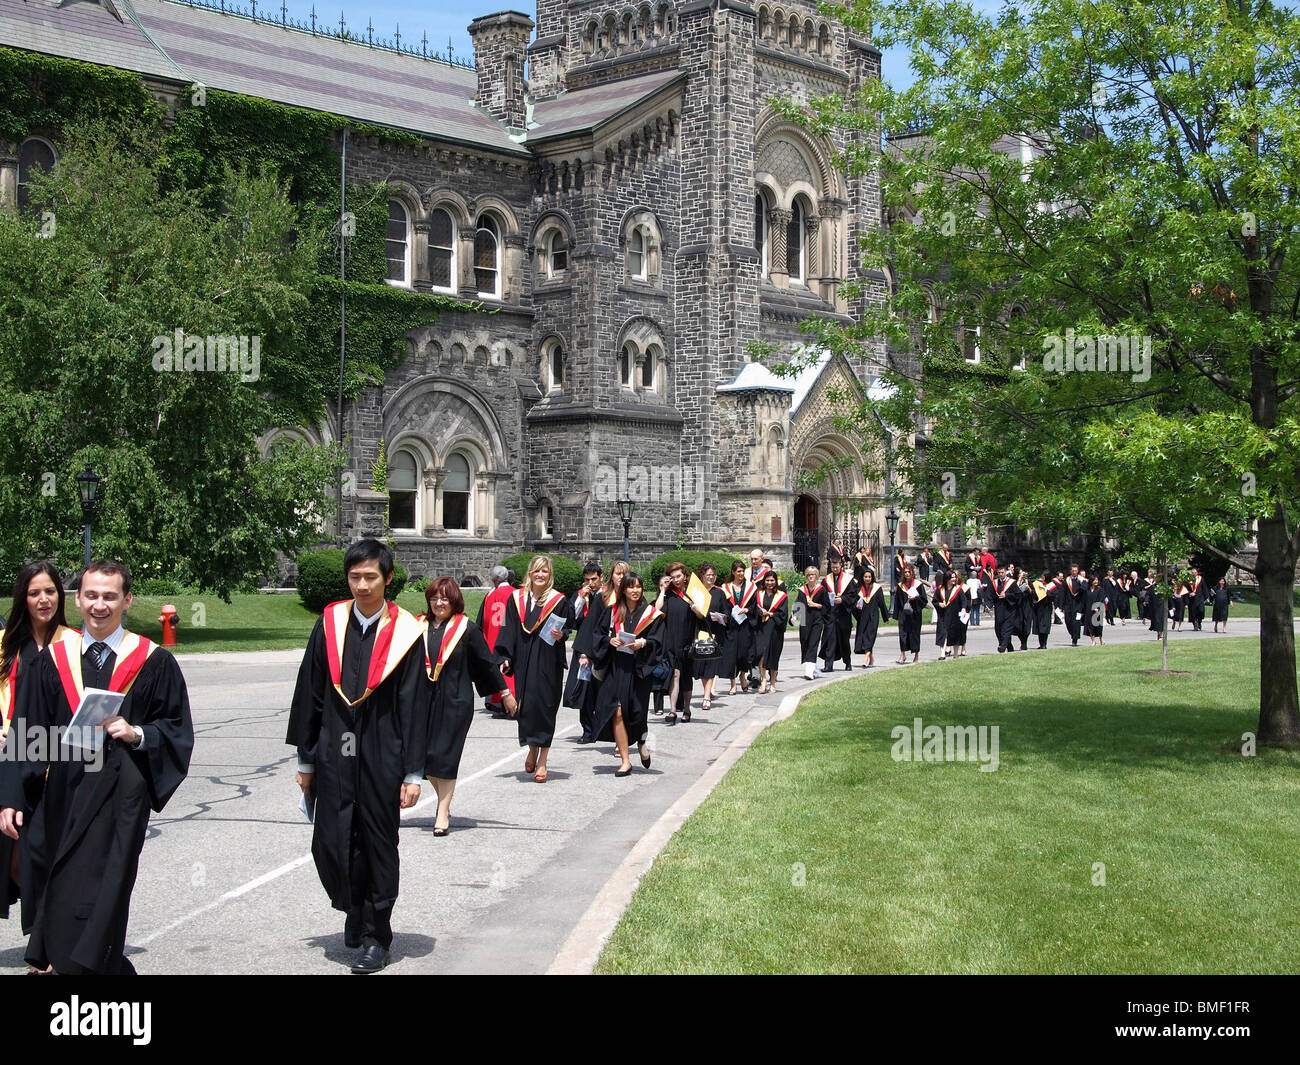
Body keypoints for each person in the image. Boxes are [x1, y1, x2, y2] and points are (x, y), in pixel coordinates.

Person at [0, 559, 193, 975]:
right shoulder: (50, 661)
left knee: (110, 883)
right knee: (63, 879)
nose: (99, 605)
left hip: (122, 794)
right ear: (78, 598)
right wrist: (13, 796)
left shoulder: (153, 662)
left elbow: (176, 729)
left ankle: (92, 965)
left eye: (109, 596)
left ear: (127, 600)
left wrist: (137, 732)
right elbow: (26, 730)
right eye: (91, 595)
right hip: (63, 790)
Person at [289, 540, 426, 973]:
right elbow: (310, 692)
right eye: (355, 577)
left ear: (388, 579)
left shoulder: (406, 632)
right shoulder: (330, 623)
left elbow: (414, 705)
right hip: (334, 752)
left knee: (377, 843)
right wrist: (306, 761)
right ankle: (352, 905)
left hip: (383, 753)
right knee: (331, 839)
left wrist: (413, 772)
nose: (363, 585)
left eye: (371, 577)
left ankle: (376, 934)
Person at [0, 563, 75, 925]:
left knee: (39, 850)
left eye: (50, 591)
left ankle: (45, 934)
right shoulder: (5, 645)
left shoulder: (73, 642)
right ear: (22, 598)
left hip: (52, 759)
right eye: (34, 593)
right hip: (8, 756)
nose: (43, 599)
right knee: (13, 852)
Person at [423, 577, 517, 836]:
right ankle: (442, 801)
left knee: (446, 757)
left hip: (455, 701)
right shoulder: (419, 626)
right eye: (434, 598)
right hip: (423, 702)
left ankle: (442, 812)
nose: (439, 603)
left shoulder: (466, 628)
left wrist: (505, 692)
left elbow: (487, 663)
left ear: (455, 601)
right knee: (425, 759)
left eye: (444, 598)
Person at [495, 556, 576, 784]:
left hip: (548, 660)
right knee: (527, 707)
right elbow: (509, 627)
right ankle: (532, 749)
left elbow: (568, 625)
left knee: (546, 707)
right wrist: (504, 655)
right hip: (523, 658)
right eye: (537, 571)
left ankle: (543, 760)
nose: (540, 575)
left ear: (550, 575)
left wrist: (563, 636)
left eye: (545, 572)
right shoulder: (516, 598)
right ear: (530, 573)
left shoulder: (558, 600)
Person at [592, 573, 662, 776]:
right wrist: (609, 641)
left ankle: (641, 741)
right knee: (618, 711)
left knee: (637, 713)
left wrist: (644, 642)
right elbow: (598, 635)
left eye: (638, 587)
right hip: (617, 668)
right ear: (623, 590)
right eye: (630, 587)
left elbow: (659, 641)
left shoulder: (651, 614)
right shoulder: (612, 612)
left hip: (639, 670)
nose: (635, 590)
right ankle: (625, 760)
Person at [655, 563, 705, 724]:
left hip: (687, 641)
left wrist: (695, 608)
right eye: (673, 577)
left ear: (685, 576)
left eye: (679, 576)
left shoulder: (691, 594)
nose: (676, 580)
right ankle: (672, 710)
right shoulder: (668, 596)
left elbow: (701, 616)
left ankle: (687, 709)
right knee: (674, 675)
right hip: (671, 641)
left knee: (685, 676)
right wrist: (662, 589)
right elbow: (656, 610)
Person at [564, 563, 606, 743]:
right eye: (587, 579)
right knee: (584, 689)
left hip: (602, 648)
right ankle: (587, 729)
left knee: (602, 690)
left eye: (594, 579)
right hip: (584, 648)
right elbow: (571, 618)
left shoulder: (607, 596)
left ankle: (603, 728)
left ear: (601, 577)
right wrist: (582, 597)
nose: (591, 583)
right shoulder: (580, 596)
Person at [476, 565, 516, 715]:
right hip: (510, 636)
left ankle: (498, 703)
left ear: (493, 580)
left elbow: (483, 620)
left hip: (493, 636)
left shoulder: (490, 596)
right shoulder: (516, 594)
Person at [691, 562, 728, 712]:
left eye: (713, 575)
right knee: (700, 667)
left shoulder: (719, 593)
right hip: (698, 632)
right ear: (702, 576)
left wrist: (722, 618)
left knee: (711, 666)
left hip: (714, 633)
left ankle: (706, 697)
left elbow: (726, 613)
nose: (711, 577)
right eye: (708, 575)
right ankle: (707, 690)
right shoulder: (696, 592)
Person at [721, 560, 759, 695]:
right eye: (738, 571)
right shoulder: (725, 588)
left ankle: (742, 675)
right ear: (733, 572)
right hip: (731, 626)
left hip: (745, 625)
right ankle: (733, 684)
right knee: (731, 655)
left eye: (743, 571)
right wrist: (727, 614)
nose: (741, 573)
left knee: (744, 654)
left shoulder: (751, 587)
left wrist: (747, 610)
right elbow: (723, 605)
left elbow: (754, 605)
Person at [820, 557, 857, 671]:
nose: (835, 569)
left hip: (843, 614)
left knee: (844, 640)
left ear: (841, 565)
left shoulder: (848, 580)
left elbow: (853, 595)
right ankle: (828, 665)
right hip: (830, 615)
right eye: (833, 567)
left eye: (836, 566)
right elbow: (822, 595)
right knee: (829, 639)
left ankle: (848, 662)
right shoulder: (826, 580)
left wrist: (843, 600)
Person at [754, 571, 789, 693]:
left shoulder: (782, 596)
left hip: (775, 628)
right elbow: (754, 609)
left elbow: (783, 614)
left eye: (772, 580)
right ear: (764, 581)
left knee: (773, 655)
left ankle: (773, 682)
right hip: (761, 628)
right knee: (761, 654)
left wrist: (771, 613)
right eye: (767, 580)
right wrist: (760, 613)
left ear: (776, 582)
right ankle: (763, 680)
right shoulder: (759, 594)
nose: (769, 583)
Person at [853, 568, 890, 668]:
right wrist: (856, 608)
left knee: (870, 636)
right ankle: (871, 658)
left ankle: (865, 658)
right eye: (865, 577)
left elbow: (882, 603)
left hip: (873, 616)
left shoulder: (877, 588)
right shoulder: (858, 588)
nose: (867, 578)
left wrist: (886, 617)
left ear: (872, 577)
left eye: (869, 577)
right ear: (862, 577)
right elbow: (853, 602)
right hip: (862, 616)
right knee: (864, 636)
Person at [795, 565, 827, 679]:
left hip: (817, 620)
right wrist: (794, 616)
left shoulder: (822, 590)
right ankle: (813, 668)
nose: (810, 577)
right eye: (808, 575)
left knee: (813, 643)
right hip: (804, 619)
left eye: (813, 575)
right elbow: (798, 605)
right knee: (805, 642)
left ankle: (808, 671)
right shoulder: (802, 590)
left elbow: (827, 607)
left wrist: (816, 605)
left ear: (817, 576)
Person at [893, 563, 925, 663]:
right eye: (905, 572)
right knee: (902, 634)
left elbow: (924, 600)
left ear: (912, 573)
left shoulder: (918, 585)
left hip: (915, 614)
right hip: (903, 614)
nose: (907, 574)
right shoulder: (900, 586)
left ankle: (916, 656)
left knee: (915, 634)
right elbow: (897, 601)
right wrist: (896, 615)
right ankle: (902, 654)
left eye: (909, 572)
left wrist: (916, 598)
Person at [939, 571, 970, 657]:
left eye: (955, 577)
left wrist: (964, 609)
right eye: (952, 577)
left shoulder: (958, 590)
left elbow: (964, 600)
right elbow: (935, 600)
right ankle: (942, 654)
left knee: (954, 635)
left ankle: (955, 654)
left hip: (954, 615)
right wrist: (939, 604)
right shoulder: (940, 589)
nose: (954, 579)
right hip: (943, 615)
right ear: (947, 578)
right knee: (943, 634)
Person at [1031, 571, 1061, 648]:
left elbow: (1054, 596)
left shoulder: (1052, 586)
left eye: (1043, 577)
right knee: (1039, 625)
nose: (1042, 578)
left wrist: (1045, 589)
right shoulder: (1039, 584)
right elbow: (1034, 595)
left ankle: (1044, 644)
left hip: (1046, 608)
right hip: (1038, 607)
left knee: (1045, 625)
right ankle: (1041, 644)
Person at [1063, 564, 1086, 645]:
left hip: (1078, 605)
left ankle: (1075, 639)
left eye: (1076, 571)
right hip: (1068, 604)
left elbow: (1084, 589)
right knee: (1068, 621)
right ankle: (1073, 634)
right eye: (1073, 571)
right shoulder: (1067, 580)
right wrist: (1061, 605)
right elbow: (1063, 593)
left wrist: (1081, 582)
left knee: (1076, 622)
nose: (1074, 572)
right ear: (1070, 571)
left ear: (1078, 571)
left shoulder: (1082, 580)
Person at [1085, 575, 1108, 645]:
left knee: (1098, 626)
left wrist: (1098, 608)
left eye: (1097, 580)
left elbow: (1101, 599)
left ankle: (1101, 639)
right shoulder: (1087, 590)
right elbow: (1085, 600)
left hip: (1097, 610)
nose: (1096, 581)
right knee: (1089, 625)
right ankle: (1093, 641)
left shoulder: (1100, 590)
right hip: (1089, 609)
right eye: (1094, 580)